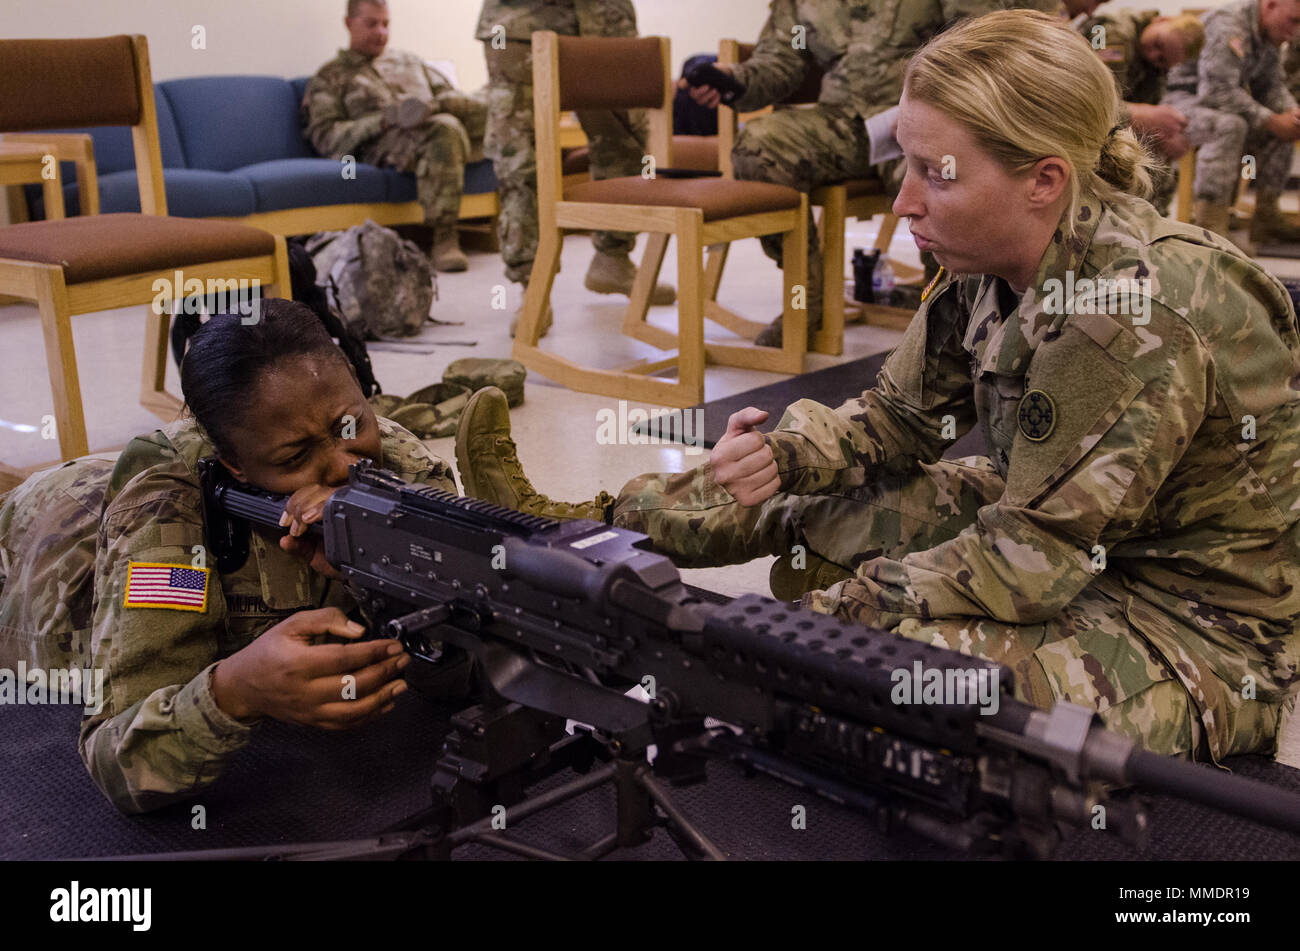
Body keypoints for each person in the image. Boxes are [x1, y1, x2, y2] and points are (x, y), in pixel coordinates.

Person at [457, 10, 1300, 764]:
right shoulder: (984, 254)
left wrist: (823, 617)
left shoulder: (1133, 309)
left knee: (907, 676)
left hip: (1192, 623)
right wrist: (786, 455)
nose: (902, 204)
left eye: (934, 173)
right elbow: (896, 422)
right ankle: (565, 530)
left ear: (1044, 179)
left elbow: (1027, 565)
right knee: (811, 505)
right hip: (1047, 526)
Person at [0, 300, 458, 814]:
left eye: (350, 426)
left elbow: (461, 659)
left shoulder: (401, 462)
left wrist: (380, 578)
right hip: (52, 547)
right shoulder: (167, 514)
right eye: (294, 458)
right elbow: (120, 761)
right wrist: (237, 691)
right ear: (235, 466)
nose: (345, 467)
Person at [680, 0, 1059, 349]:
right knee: (757, 146)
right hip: (845, 123)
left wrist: (936, 111)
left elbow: (976, 41)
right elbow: (782, 61)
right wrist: (734, 80)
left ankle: (962, 307)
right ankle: (809, 295)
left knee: (945, 173)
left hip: (924, 113)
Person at [476, 0, 676, 338]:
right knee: (521, 157)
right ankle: (533, 289)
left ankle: (613, 259)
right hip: (522, 23)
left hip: (606, 22)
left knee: (625, 142)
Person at [303, 0, 487, 272]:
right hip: (383, 146)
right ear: (348, 23)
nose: (381, 32)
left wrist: (434, 106)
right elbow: (326, 138)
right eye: (371, 24)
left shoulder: (410, 62)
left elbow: (452, 96)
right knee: (445, 128)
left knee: (496, 107)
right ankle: (445, 239)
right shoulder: (331, 76)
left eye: (386, 24)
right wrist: (386, 119)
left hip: (432, 125)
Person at [1161, 0, 1300, 246]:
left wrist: (1291, 112)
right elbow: (1217, 92)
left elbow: (1271, 87)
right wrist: (1270, 119)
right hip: (1180, 102)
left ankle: (1266, 217)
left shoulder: (1269, 34)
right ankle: (1209, 225)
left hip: (1217, 103)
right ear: (1270, 5)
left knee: (1286, 127)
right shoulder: (1228, 25)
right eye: (1294, 20)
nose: (1296, 31)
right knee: (1230, 126)